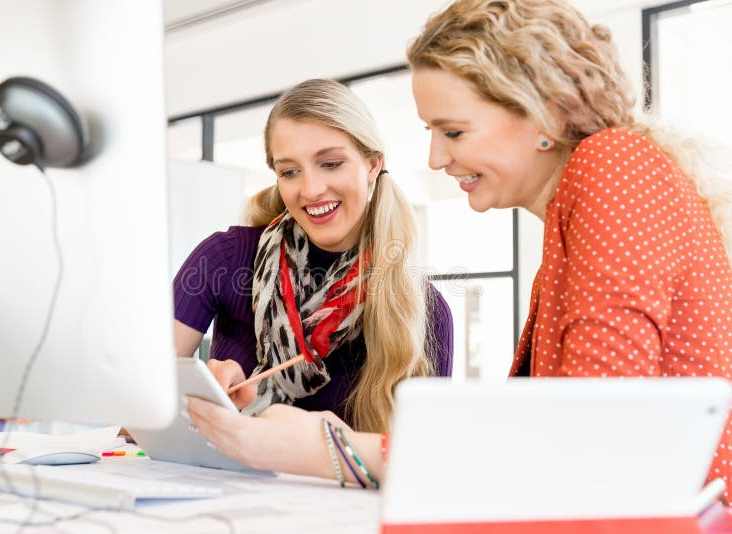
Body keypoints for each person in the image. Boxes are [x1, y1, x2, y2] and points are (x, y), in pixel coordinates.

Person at [407, 0, 732, 500]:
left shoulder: (613, 164)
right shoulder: (576, 214)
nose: (435, 158)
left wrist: (344, 450)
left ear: (548, 115)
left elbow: (592, 424)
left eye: (453, 132)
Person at [177, 79, 453, 476]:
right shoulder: (224, 258)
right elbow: (139, 411)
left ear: (372, 165)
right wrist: (199, 392)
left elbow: (429, 466)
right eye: (290, 171)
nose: (310, 189)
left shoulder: (426, 312)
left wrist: (330, 445)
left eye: (331, 163)